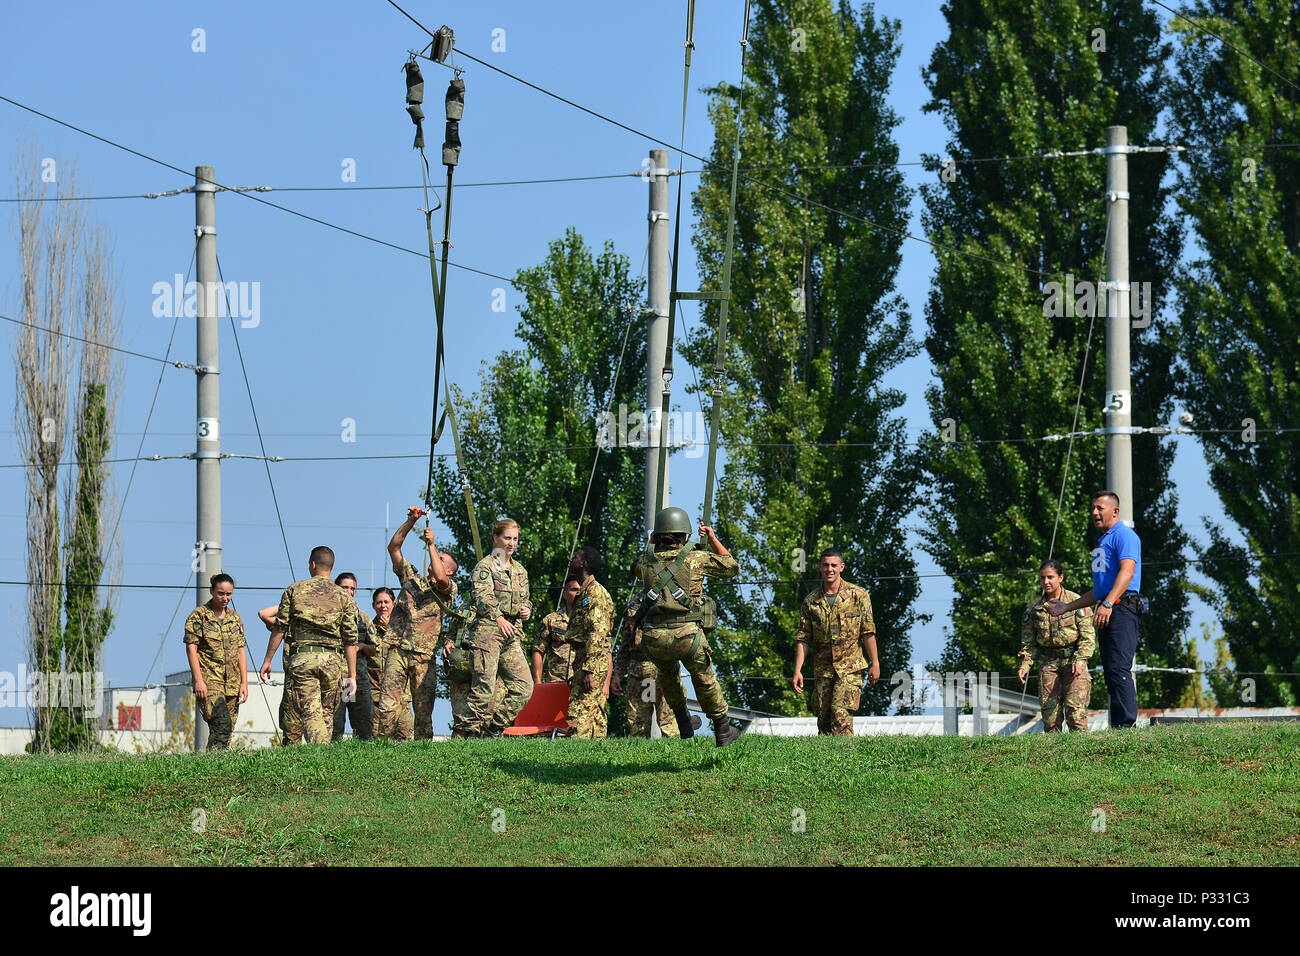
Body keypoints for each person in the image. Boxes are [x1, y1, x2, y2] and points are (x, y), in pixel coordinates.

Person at [631, 507, 740, 747]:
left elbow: (634, 568)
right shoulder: (695, 558)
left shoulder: (645, 560)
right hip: (687, 635)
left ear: (656, 535)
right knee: (704, 679)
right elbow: (731, 566)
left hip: (654, 638)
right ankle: (722, 730)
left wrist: (651, 544)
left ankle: (683, 725)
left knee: (668, 677)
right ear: (685, 535)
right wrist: (711, 538)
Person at [1048, 490, 1144, 729]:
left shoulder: (1124, 535)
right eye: (1093, 508)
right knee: (1111, 670)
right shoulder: (1103, 541)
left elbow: (1127, 572)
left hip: (1122, 608)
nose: (1094, 513)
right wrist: (1068, 607)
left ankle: (1126, 725)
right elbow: (1100, 590)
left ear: (1115, 511)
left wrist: (1109, 603)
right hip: (1109, 607)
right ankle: (1117, 725)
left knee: (1120, 668)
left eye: (1100, 508)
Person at [259, 546, 359, 744]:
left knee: (311, 712)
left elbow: (280, 627)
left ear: (312, 564)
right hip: (332, 661)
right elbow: (350, 640)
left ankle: (320, 757)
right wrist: (352, 677)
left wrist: (268, 660)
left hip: (303, 659)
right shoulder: (345, 598)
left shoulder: (295, 590)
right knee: (326, 714)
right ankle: (323, 762)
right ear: (332, 567)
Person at [376, 507, 457, 740]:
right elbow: (394, 547)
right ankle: (382, 748)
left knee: (423, 712)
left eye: (442, 560)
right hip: (398, 649)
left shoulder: (448, 589)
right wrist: (411, 521)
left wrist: (432, 545)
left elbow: (441, 579)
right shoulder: (411, 578)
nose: (436, 559)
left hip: (424, 655)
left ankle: (422, 751)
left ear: (451, 570)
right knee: (388, 705)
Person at [791, 549, 880, 736]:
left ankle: (846, 760)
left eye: (833, 565)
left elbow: (868, 632)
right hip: (823, 670)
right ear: (819, 567)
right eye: (825, 565)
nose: (829, 569)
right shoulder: (811, 602)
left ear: (841, 567)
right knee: (824, 722)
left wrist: (875, 663)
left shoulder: (858, 595)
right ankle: (826, 763)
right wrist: (798, 670)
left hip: (850, 667)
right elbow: (803, 638)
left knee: (840, 716)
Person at [459, 517, 534, 738]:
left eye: (515, 539)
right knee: (484, 688)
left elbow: (527, 598)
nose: (511, 543)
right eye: (507, 538)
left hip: (511, 633)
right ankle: (468, 735)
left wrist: (526, 609)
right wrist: (499, 618)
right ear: (496, 538)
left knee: (524, 686)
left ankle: (495, 728)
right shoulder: (486, 566)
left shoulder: (520, 570)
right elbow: (482, 597)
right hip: (488, 631)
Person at [1018, 559, 1095, 733]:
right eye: (1043, 578)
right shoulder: (1034, 609)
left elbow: (1088, 637)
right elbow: (1028, 643)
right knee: (1050, 720)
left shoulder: (1077, 602)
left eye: (1050, 577)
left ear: (1061, 577)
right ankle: (1056, 757)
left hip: (1073, 662)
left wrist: (1081, 660)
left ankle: (1083, 756)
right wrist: (1024, 665)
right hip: (1048, 664)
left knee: (1076, 715)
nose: (1046, 582)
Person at [183, 573, 248, 750]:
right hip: (210, 682)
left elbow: (241, 651)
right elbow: (191, 648)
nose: (225, 598)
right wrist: (198, 680)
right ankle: (214, 762)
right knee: (222, 724)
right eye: (221, 593)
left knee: (225, 732)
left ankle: (215, 767)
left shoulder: (235, 618)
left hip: (232, 684)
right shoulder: (199, 616)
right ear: (212, 591)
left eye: (229, 594)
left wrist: (244, 682)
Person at [562, 546, 614, 739]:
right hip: (585, 659)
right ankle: (595, 756)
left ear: (584, 564)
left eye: (576, 557)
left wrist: (589, 670)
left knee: (579, 714)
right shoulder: (585, 593)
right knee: (596, 715)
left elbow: (597, 633)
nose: (571, 559)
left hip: (593, 662)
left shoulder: (595, 594)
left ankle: (574, 759)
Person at [611, 613, 684, 738]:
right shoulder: (634, 606)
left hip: (664, 665)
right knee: (637, 722)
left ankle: (674, 754)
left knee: (668, 718)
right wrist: (618, 674)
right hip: (638, 670)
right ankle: (638, 754)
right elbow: (626, 642)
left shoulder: (669, 600)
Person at [331, 572, 379, 741]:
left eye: (352, 589)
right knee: (335, 725)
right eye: (345, 587)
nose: (349, 592)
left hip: (358, 679)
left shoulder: (362, 617)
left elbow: (374, 648)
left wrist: (362, 646)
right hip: (335, 678)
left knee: (364, 724)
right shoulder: (328, 615)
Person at [371, 587, 414, 740]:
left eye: (386, 602)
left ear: (394, 604)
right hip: (376, 698)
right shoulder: (368, 631)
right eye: (378, 603)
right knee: (380, 739)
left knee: (405, 736)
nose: (383, 606)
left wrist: (390, 628)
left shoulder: (404, 628)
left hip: (401, 696)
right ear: (373, 605)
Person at [257, 604, 300, 745]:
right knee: (291, 724)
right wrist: (291, 602)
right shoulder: (292, 623)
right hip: (293, 678)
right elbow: (264, 613)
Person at [531, 577, 581, 684]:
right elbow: (538, 651)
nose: (578, 593)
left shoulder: (590, 622)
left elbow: (604, 652)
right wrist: (537, 683)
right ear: (564, 594)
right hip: (556, 683)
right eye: (574, 589)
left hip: (582, 686)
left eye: (580, 590)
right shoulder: (551, 620)